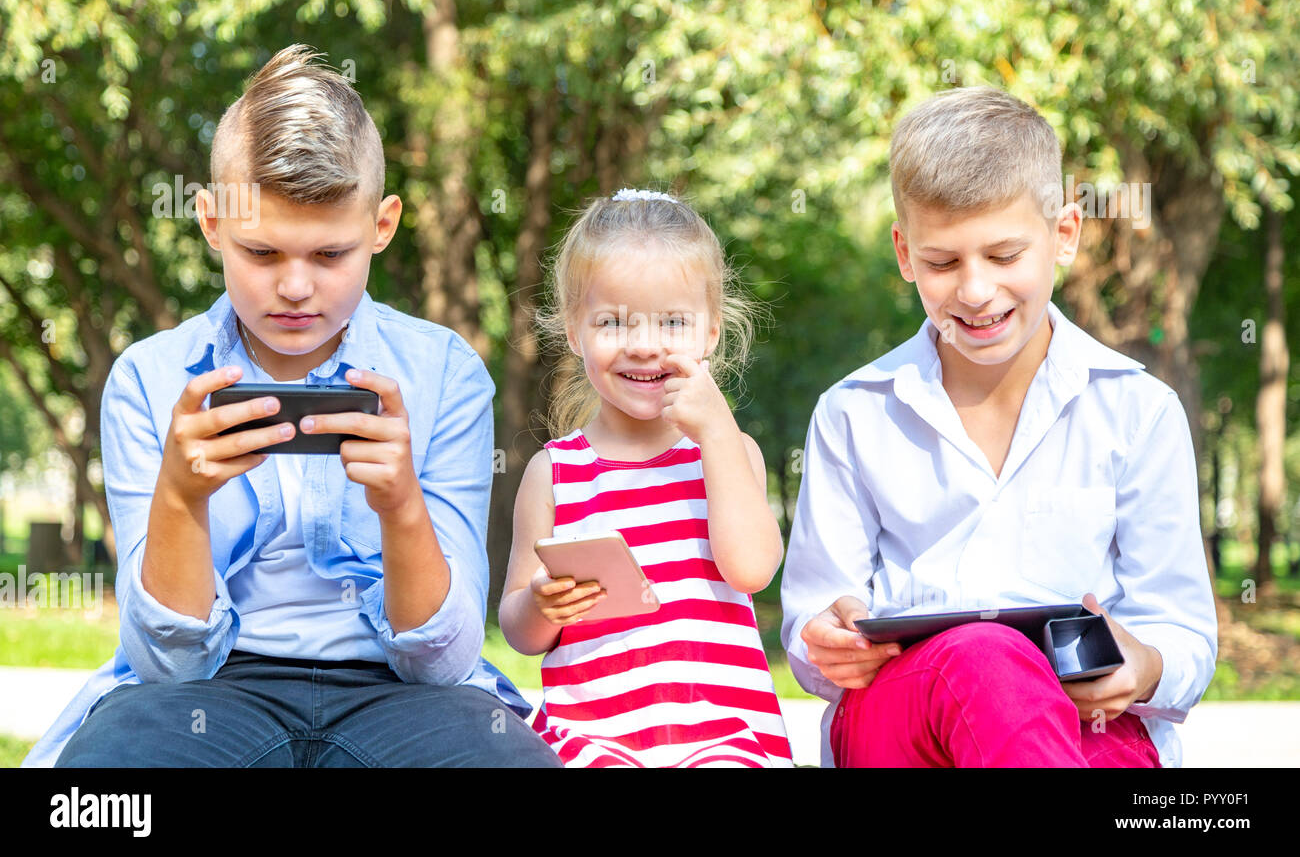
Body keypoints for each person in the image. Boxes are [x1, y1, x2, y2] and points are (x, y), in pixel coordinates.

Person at [24, 44, 558, 768]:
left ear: (382, 225)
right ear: (211, 224)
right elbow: (165, 668)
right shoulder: (148, 380)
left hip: (402, 695)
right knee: (97, 795)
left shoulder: (444, 373)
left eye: (330, 255)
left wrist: (402, 506)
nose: (297, 288)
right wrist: (181, 500)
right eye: (263, 254)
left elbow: (444, 663)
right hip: (208, 691)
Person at [780, 86, 1218, 768]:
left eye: (1004, 255)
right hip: (903, 718)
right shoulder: (853, 411)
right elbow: (812, 623)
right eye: (942, 262)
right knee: (988, 660)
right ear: (903, 253)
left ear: (1064, 234)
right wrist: (824, 638)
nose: (976, 291)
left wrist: (1146, 664)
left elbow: (1184, 631)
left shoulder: (1139, 409)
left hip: (1089, 724)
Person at [498, 190, 793, 767]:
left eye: (674, 321)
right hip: (593, 739)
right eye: (612, 321)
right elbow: (520, 631)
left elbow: (752, 570)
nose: (643, 344)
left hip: (722, 737)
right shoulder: (554, 473)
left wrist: (717, 434)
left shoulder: (732, 454)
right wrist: (539, 605)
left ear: (710, 333)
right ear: (575, 331)